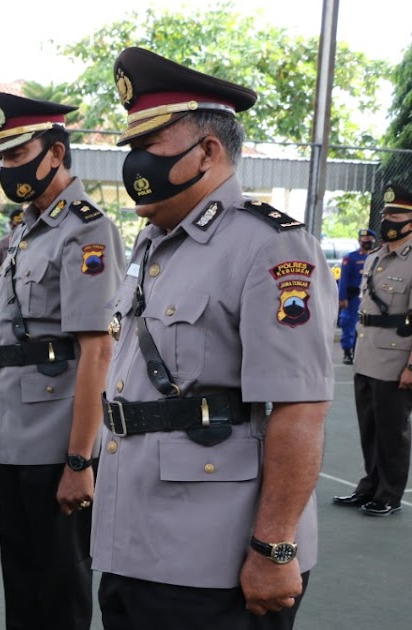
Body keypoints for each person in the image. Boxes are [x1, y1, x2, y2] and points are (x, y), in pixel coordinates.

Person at [92, 47, 334, 629]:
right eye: (132, 148)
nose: (135, 162)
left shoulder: (268, 245)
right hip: (135, 539)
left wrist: (274, 548)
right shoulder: (155, 243)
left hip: (213, 556)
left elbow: (301, 408)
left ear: (208, 149)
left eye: (151, 145)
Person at [0, 90, 126, 630]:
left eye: (19, 155)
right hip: (15, 428)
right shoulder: (27, 230)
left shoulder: (87, 230)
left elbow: (98, 351)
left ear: (57, 153)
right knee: (21, 578)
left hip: (58, 435)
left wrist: (79, 460)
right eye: (3, 157)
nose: (8, 167)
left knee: (60, 582)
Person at [333, 183, 412, 517]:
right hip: (368, 355)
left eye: (395, 214)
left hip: (397, 358)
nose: (387, 219)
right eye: (385, 213)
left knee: (392, 430)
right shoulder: (377, 255)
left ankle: (389, 494)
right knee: (369, 425)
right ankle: (370, 485)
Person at [337, 228, 376, 364]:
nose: (366, 242)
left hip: (370, 298)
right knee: (349, 324)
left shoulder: (375, 256)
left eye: (369, 240)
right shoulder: (351, 258)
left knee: (364, 326)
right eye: (364, 240)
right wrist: (342, 298)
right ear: (359, 241)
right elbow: (344, 279)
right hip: (352, 297)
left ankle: (358, 351)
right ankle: (347, 352)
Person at [0, 208, 24, 295]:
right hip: (6, 292)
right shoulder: (1, 245)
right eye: (16, 224)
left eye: (22, 225)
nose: (20, 228)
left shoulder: (31, 243)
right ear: (10, 224)